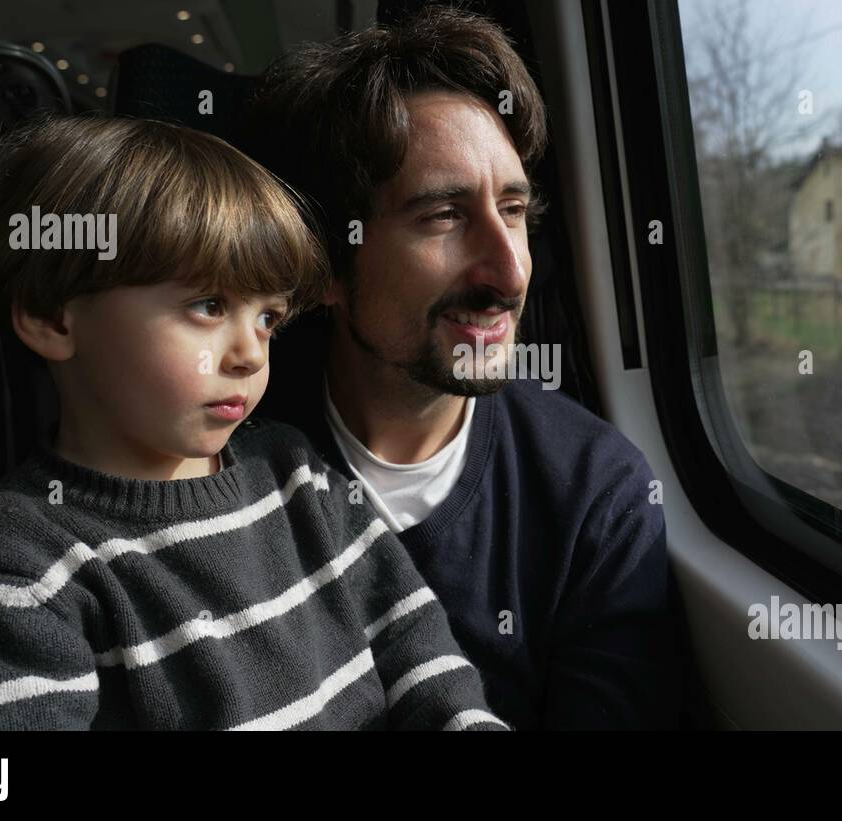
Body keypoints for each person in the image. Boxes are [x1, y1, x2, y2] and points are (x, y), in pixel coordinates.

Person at [0, 115, 507, 731]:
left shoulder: (293, 474)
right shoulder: (18, 568)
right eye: (209, 306)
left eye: (268, 319)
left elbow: (414, 642)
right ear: (53, 317)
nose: (250, 353)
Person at [246, 4, 690, 729]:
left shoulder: (594, 492)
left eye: (513, 210)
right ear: (324, 263)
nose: (511, 270)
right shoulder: (218, 464)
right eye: (444, 216)